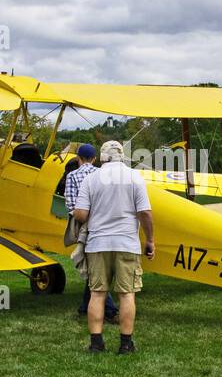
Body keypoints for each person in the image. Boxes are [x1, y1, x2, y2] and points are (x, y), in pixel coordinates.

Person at [72, 140, 155, 354]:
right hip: (127, 242)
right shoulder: (135, 177)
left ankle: (96, 343)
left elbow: (80, 214)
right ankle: (126, 344)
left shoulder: (90, 179)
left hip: (97, 243)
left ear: (101, 157)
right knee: (127, 294)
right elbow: (145, 213)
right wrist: (150, 240)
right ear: (122, 156)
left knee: (97, 293)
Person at [63, 144, 118, 321]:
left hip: (85, 226)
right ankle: (85, 306)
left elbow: (71, 205)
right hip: (106, 223)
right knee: (93, 267)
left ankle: (109, 311)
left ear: (78, 158)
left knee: (93, 269)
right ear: (95, 159)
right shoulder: (103, 175)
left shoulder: (72, 175)